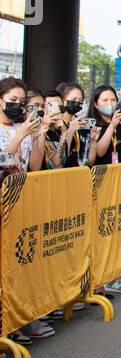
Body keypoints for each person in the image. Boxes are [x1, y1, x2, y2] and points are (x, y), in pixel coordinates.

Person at [0, 77, 53, 342]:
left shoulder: (22, 127)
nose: (18, 106)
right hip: (3, 201)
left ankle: (16, 321)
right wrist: (20, 135)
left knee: (18, 265)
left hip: (21, 203)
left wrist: (39, 134)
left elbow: (34, 165)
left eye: (21, 102)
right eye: (12, 101)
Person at [85, 86, 121, 294]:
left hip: (120, 184)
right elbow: (99, 151)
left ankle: (116, 274)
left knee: (117, 231)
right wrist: (111, 127)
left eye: (113, 100)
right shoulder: (94, 125)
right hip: (100, 184)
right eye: (105, 100)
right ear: (95, 103)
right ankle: (102, 279)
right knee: (101, 233)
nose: (110, 104)